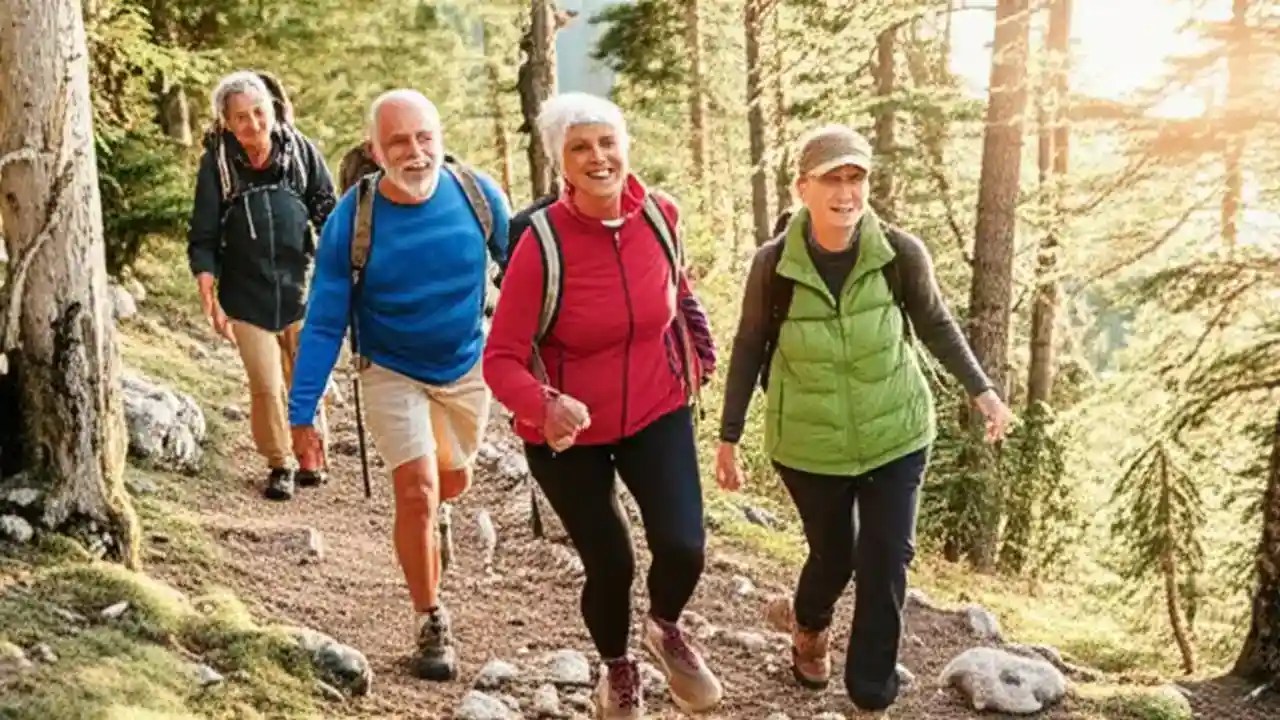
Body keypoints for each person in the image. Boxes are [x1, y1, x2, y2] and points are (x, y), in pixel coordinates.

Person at [716, 124, 1017, 712]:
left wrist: (983, 391)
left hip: (895, 432)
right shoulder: (772, 265)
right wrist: (728, 437)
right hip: (808, 443)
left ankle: (870, 693)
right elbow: (749, 346)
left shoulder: (898, 253)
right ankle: (807, 623)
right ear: (803, 187)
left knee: (886, 558)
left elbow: (935, 323)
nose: (847, 192)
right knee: (835, 555)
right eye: (833, 178)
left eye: (857, 178)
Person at [483, 92, 721, 719]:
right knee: (611, 561)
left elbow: (677, 288)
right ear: (561, 163)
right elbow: (500, 357)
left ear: (626, 148)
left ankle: (665, 627)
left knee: (683, 546)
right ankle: (617, 669)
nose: (598, 157)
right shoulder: (540, 245)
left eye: (607, 142)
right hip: (568, 432)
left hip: (656, 406)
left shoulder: (662, 216)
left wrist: (698, 346)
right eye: (580, 147)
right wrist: (542, 405)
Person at [286, 89, 510, 681]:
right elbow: (327, 317)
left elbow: (524, 272)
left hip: (466, 366)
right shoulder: (352, 219)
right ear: (375, 150)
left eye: (424, 138)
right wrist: (302, 409)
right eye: (399, 143)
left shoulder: (479, 196)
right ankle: (430, 617)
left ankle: (437, 521)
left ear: (440, 137)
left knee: (452, 481)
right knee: (414, 491)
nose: (415, 153)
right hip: (389, 370)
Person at [186, 70, 337, 501]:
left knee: (306, 377)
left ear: (272, 109)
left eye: (259, 112)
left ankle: (311, 452)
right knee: (267, 385)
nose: (253, 124)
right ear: (226, 123)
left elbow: (327, 209)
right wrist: (207, 294)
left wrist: (342, 265)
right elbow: (204, 233)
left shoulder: (301, 151)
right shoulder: (218, 163)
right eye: (241, 118)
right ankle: (280, 462)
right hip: (246, 294)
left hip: (302, 289)